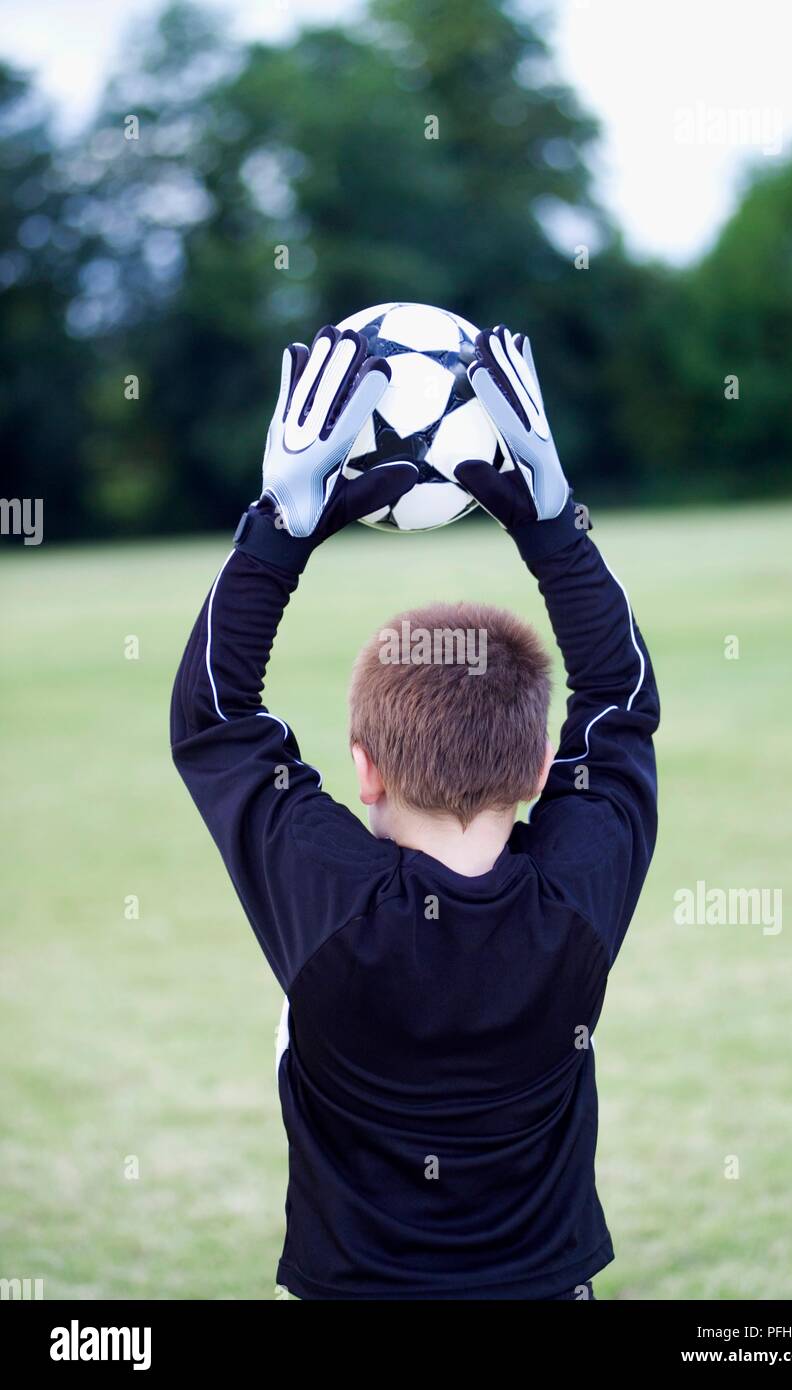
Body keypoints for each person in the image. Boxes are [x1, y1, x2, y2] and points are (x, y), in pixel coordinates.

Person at [170, 322, 660, 1299]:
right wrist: (550, 517)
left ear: (363, 768)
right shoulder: (572, 898)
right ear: (534, 764)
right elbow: (617, 701)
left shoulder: (332, 902)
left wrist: (282, 518)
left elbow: (216, 719)